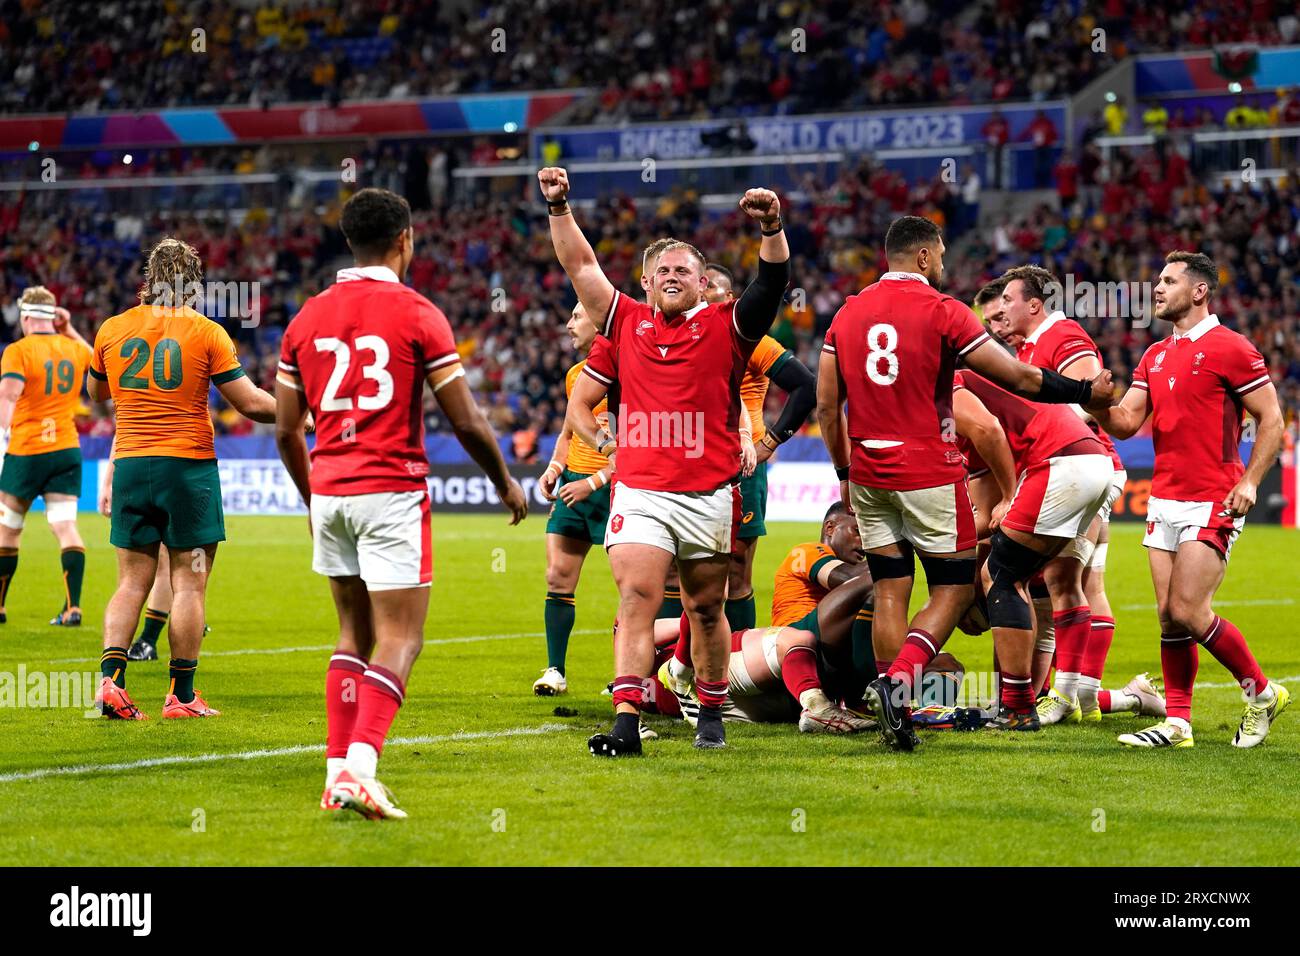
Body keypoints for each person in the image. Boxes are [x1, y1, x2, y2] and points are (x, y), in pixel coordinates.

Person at [816, 215, 1115, 751]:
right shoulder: (944, 313)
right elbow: (1015, 384)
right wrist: (1084, 391)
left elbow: (824, 404)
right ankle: (909, 687)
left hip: (868, 471)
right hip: (929, 469)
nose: (947, 262)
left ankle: (903, 704)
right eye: (944, 254)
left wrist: (844, 473)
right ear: (926, 258)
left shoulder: (846, 313)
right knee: (961, 587)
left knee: (893, 588)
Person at [276, 187, 526, 819]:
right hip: (390, 487)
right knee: (401, 639)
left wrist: (313, 494)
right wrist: (502, 479)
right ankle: (361, 767)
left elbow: (284, 429)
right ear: (405, 240)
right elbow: (465, 420)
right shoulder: (418, 313)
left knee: (351, 634)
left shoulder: (305, 319)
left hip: (330, 487)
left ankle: (337, 771)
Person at [542, 165, 790, 755]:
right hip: (641, 493)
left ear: (703, 284)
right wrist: (559, 208)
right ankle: (626, 722)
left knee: (707, 609)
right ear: (647, 284)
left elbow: (773, 283)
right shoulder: (623, 321)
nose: (673, 276)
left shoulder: (727, 327)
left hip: (709, 495)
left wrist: (772, 227)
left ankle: (709, 711)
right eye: (663, 271)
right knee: (636, 601)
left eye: (685, 270)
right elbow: (580, 267)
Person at [1092, 251, 1289, 749]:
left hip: (1213, 498)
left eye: (1167, 281)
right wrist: (1088, 397)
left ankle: (1263, 694)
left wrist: (1249, 481)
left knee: (1187, 608)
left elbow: (1273, 419)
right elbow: (1124, 422)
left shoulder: (1231, 348)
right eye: (1157, 280)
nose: (1156, 288)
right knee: (1167, 614)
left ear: (1199, 290)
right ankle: (1178, 724)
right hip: (1164, 500)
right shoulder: (1154, 356)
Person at [89, 237, 278, 720]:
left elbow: (95, 395)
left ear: (148, 281)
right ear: (193, 286)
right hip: (187, 467)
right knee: (190, 584)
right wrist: (303, 415)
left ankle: (111, 684)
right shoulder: (207, 331)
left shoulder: (112, 328)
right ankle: (182, 696)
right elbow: (252, 403)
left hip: (130, 464)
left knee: (131, 582)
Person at [952, 370, 1113, 730]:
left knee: (1001, 576)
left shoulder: (947, 385)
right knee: (1025, 576)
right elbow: (983, 517)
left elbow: (989, 430)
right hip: (1089, 460)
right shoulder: (971, 411)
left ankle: (1020, 707)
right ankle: (1044, 698)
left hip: (1059, 461)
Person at [701, 262, 817, 631]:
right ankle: (660, 671)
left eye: (710, 287)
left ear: (731, 298)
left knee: (737, 569)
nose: (701, 293)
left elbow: (805, 387)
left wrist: (768, 442)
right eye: (698, 285)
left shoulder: (751, 340)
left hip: (741, 466)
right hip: (687, 463)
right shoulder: (676, 337)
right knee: (673, 570)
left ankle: (735, 666)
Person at [0, 288, 92, 626]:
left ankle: (0, 607)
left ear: (25, 317)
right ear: (54, 317)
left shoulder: (18, 350)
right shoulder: (71, 347)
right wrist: (69, 330)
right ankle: (73, 607)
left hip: (26, 450)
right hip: (66, 449)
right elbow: (99, 364)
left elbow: (8, 394)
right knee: (66, 527)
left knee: (8, 529)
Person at [534, 302, 612, 695]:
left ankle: (638, 677)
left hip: (615, 488)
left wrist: (594, 482)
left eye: (577, 317)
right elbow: (567, 432)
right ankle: (555, 671)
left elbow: (641, 443)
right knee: (557, 576)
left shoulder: (627, 375)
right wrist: (554, 468)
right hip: (573, 486)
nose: (569, 324)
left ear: (599, 325)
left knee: (636, 588)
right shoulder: (575, 376)